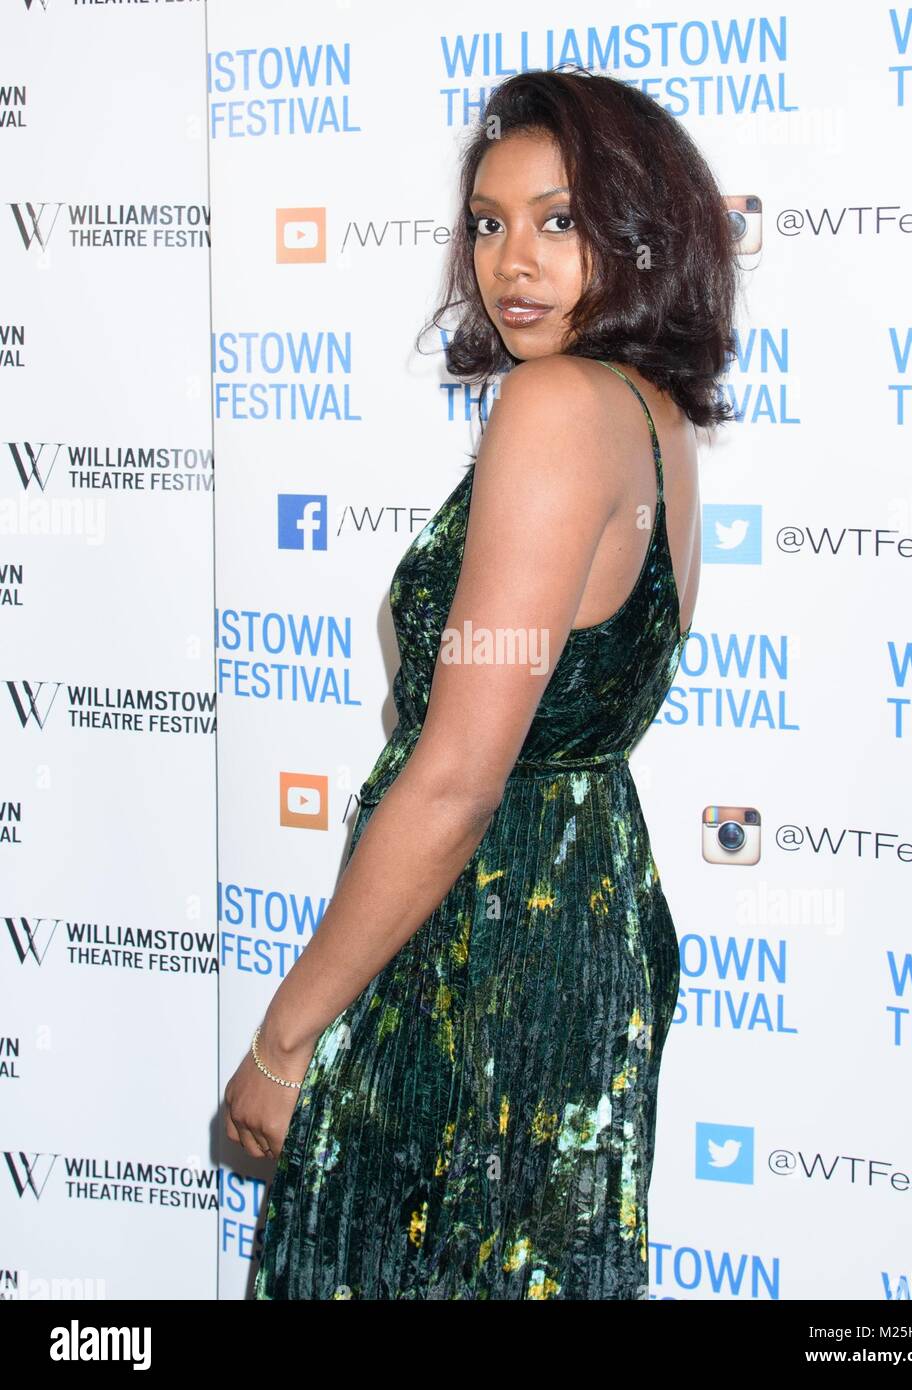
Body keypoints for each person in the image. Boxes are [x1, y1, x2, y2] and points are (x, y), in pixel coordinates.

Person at [226, 65, 738, 1300]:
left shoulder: (558, 404)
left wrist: (280, 1041)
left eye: (559, 220)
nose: (514, 259)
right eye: (490, 222)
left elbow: (456, 778)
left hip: (484, 950)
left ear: (640, 231)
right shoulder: (650, 414)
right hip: (579, 913)